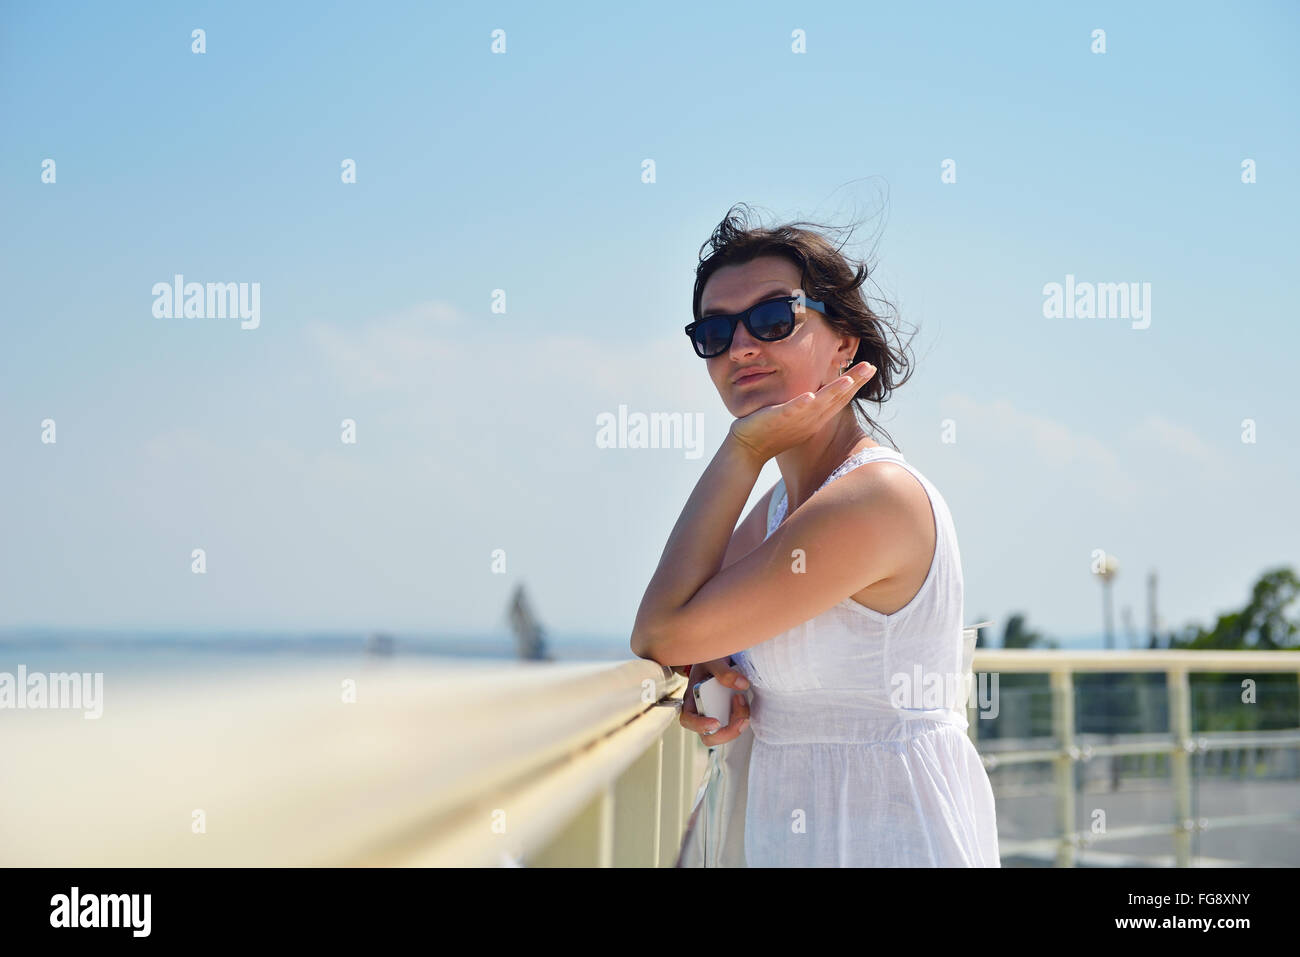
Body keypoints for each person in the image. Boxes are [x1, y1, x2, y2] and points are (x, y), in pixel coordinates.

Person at [631, 204, 999, 866]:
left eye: (774, 319)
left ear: (844, 342)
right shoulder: (783, 509)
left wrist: (742, 452)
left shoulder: (872, 499)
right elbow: (683, 624)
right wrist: (714, 663)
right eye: (715, 331)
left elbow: (658, 630)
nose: (741, 345)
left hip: (891, 838)